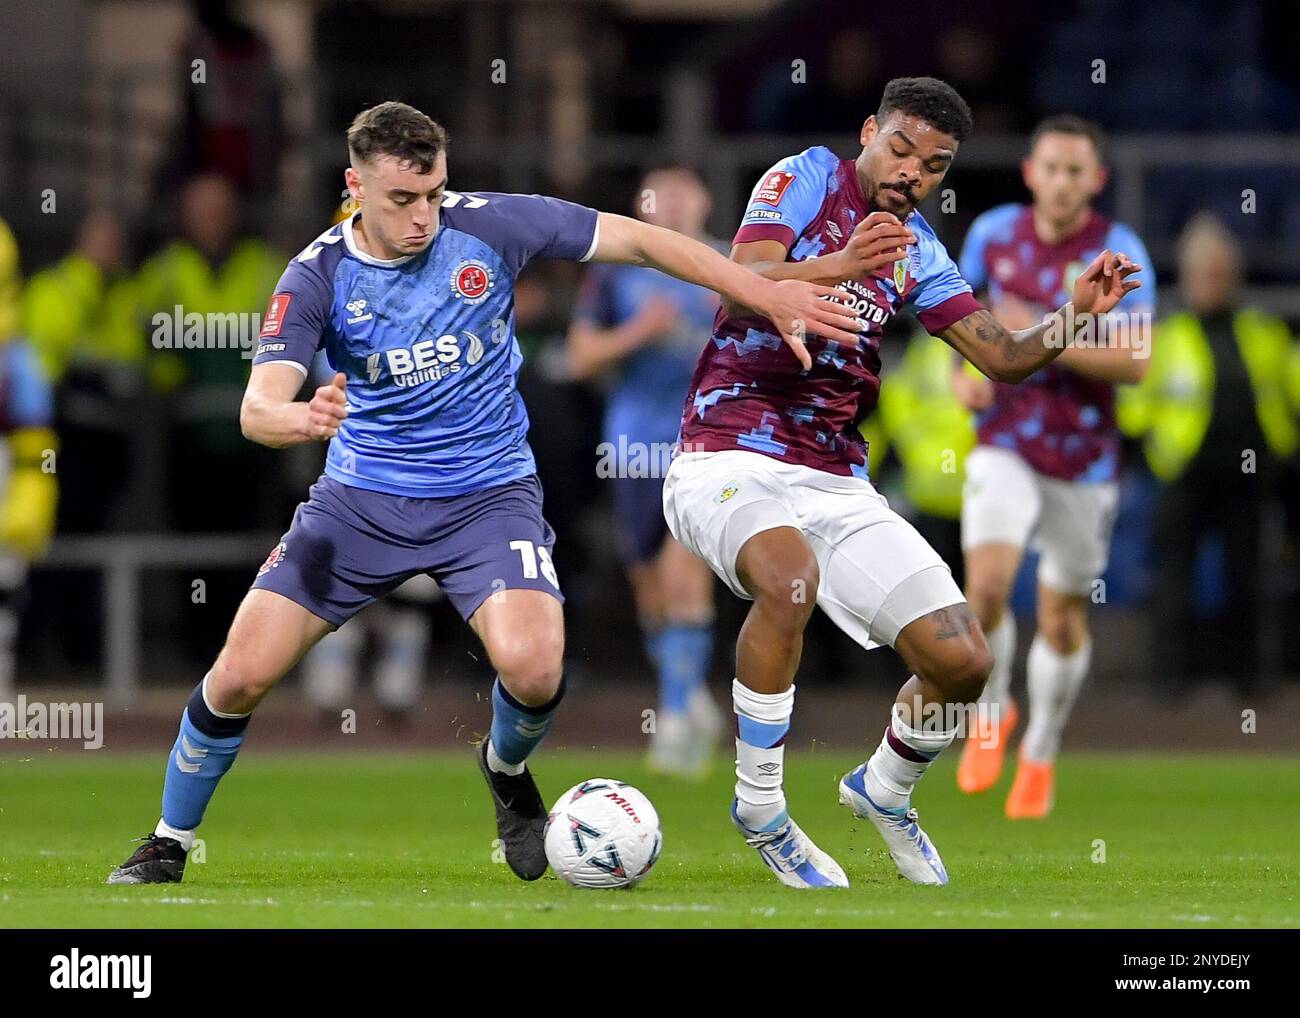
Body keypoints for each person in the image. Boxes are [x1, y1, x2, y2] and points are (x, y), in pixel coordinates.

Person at [107, 100, 861, 885]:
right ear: (354, 186)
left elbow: (638, 238)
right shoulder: (317, 275)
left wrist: (764, 292)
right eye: (402, 199)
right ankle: (167, 839)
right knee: (238, 675)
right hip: (359, 504)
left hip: (487, 498)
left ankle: (504, 771)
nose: (424, 215)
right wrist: (300, 418)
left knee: (535, 671)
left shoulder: (493, 224)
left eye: (433, 193)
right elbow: (255, 409)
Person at [662, 77, 1140, 888]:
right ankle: (761, 806)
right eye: (902, 148)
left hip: (836, 479)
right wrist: (845, 262)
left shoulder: (918, 246)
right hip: (728, 452)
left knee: (965, 660)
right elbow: (745, 275)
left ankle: (883, 790)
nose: (913, 171)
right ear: (868, 133)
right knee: (790, 583)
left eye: (936, 163)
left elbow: (1004, 357)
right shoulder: (805, 176)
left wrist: (1075, 314)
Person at [951, 115, 1154, 818]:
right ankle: (991, 717)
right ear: (1030, 172)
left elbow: (1135, 359)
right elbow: (959, 324)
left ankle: (1040, 747)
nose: (1063, 182)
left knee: (1062, 616)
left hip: (1083, 455)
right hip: (1004, 439)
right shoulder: (992, 235)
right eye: (1052, 168)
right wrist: (966, 376)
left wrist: (1043, 332)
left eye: (1078, 171)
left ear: (1095, 180)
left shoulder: (1118, 250)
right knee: (985, 589)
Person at [567, 166, 724, 777]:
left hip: (705, 444)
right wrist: (640, 332)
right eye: (661, 196)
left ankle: (677, 715)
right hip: (633, 445)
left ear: (705, 203)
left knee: (685, 575)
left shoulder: (726, 267)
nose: (674, 207)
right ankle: (687, 695)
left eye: (686, 194)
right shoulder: (614, 273)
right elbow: (579, 357)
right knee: (648, 585)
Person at [1119, 213, 1300, 695]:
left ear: (1235, 277)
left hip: (1251, 479)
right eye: (1204, 272)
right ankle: (1170, 684)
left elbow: (1289, 390)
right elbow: (1134, 411)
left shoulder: (1265, 332)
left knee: (1249, 581)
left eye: (1221, 272)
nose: (1213, 282)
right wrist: (1155, 451)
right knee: (1174, 580)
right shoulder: (1166, 336)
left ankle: (1252, 684)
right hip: (1184, 476)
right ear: (1188, 276)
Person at [0, 217, 59, 701]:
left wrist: (31, 497)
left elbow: (35, 436)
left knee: (2, 589)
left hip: (4, 473)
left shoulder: (16, 360)